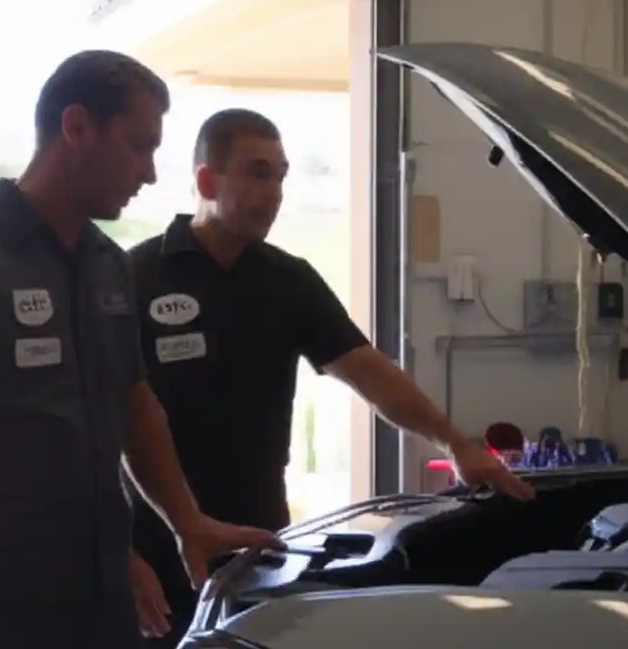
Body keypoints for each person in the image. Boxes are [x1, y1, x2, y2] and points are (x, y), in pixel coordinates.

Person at [0, 52, 281, 649]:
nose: (149, 173)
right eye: (139, 146)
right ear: (76, 127)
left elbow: (135, 406)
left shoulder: (108, 266)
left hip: (100, 604)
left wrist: (185, 523)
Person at [124, 108, 536, 645]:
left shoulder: (288, 281)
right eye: (257, 173)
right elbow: (97, 424)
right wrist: (118, 553)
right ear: (206, 180)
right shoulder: (135, 276)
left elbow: (370, 372)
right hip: (155, 553)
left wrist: (456, 443)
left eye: (280, 176)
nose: (274, 193)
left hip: (256, 548)